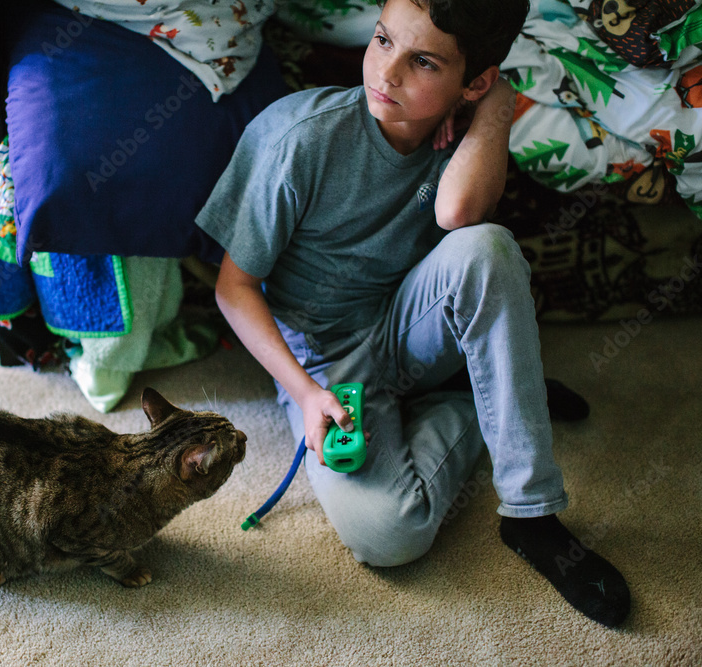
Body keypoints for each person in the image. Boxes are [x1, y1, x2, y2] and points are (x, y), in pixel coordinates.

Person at [196, 0, 630, 627]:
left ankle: (531, 514)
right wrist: (307, 392)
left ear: (473, 82)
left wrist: (497, 107)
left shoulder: (465, 128)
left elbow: (458, 217)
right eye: (381, 41)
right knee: (389, 535)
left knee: (488, 247)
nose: (387, 73)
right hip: (324, 357)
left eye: (422, 61)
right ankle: (497, 395)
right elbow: (234, 289)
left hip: (408, 323)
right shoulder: (300, 137)